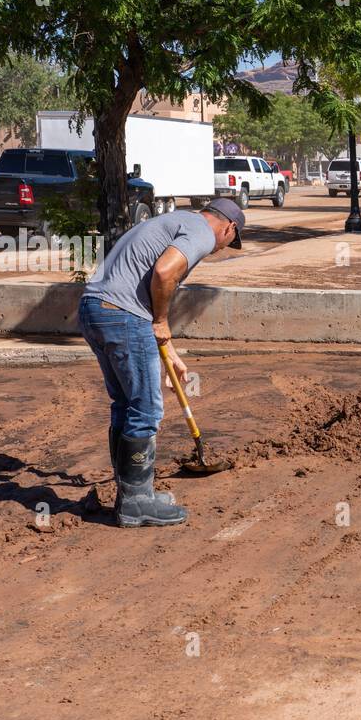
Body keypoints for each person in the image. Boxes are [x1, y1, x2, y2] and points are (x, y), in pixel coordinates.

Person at [78, 198, 246, 527]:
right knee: (146, 409)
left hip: (95, 309)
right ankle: (136, 503)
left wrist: (169, 351)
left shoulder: (176, 221)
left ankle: (132, 495)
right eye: (230, 241)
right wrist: (161, 320)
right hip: (123, 315)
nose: (222, 247)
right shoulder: (202, 232)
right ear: (229, 227)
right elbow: (164, 272)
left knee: (126, 403)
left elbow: (148, 290)